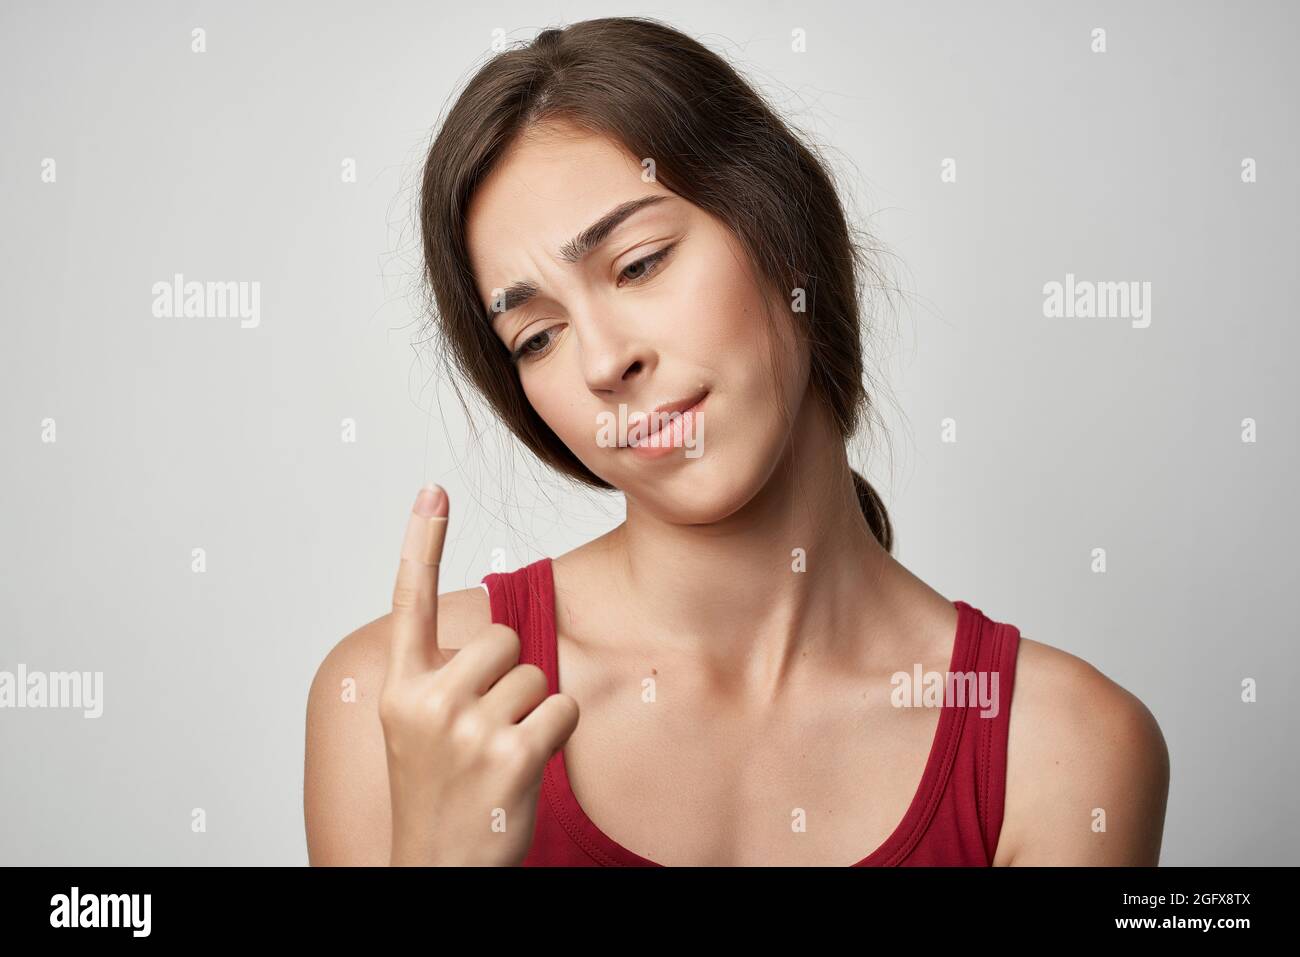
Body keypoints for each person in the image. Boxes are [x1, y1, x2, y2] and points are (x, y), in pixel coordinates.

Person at [303, 16, 1169, 866]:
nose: (605, 361)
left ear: (782, 231)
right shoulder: (406, 704)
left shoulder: (1063, 752)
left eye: (639, 263)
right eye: (538, 336)